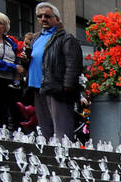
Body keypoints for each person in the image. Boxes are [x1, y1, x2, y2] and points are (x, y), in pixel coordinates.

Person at [28, 3, 80, 141]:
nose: (43, 19)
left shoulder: (65, 38)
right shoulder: (36, 38)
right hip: (37, 86)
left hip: (56, 87)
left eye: (47, 16)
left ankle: (65, 156)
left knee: (61, 128)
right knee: (45, 128)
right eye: (40, 16)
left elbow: (72, 63)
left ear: (57, 18)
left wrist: (67, 86)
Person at [0, 13, 22, 133]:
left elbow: (17, 56)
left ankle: (10, 137)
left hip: (11, 82)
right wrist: (13, 67)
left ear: (5, 27)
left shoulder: (10, 42)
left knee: (13, 111)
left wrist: (22, 60)